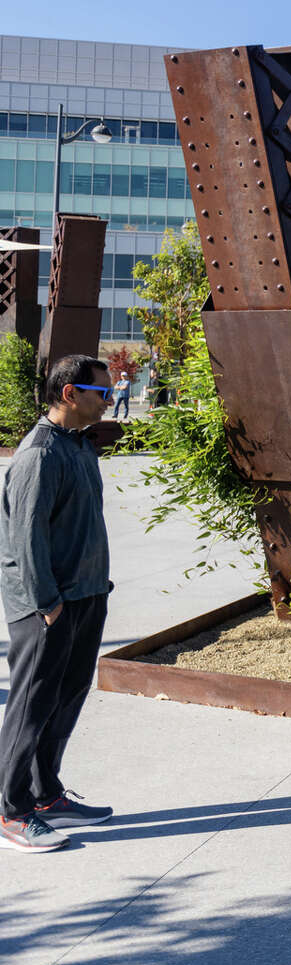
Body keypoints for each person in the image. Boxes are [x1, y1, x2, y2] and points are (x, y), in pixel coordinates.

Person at [0, 355, 115, 853]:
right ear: (70, 393)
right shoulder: (39, 455)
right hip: (48, 604)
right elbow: (26, 539)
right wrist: (47, 604)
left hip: (86, 595)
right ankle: (10, 811)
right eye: (101, 392)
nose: (109, 400)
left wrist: (95, 588)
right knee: (32, 705)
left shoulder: (79, 445)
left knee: (66, 699)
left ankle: (45, 795)